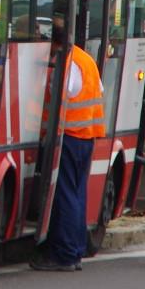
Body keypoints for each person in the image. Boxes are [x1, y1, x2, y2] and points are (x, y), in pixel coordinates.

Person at [30, 23, 105, 272]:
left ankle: (64, 254)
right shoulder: (85, 59)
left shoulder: (68, 62)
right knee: (76, 193)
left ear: (54, 43)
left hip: (69, 136)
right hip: (85, 137)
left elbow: (60, 93)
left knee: (64, 195)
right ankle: (74, 251)